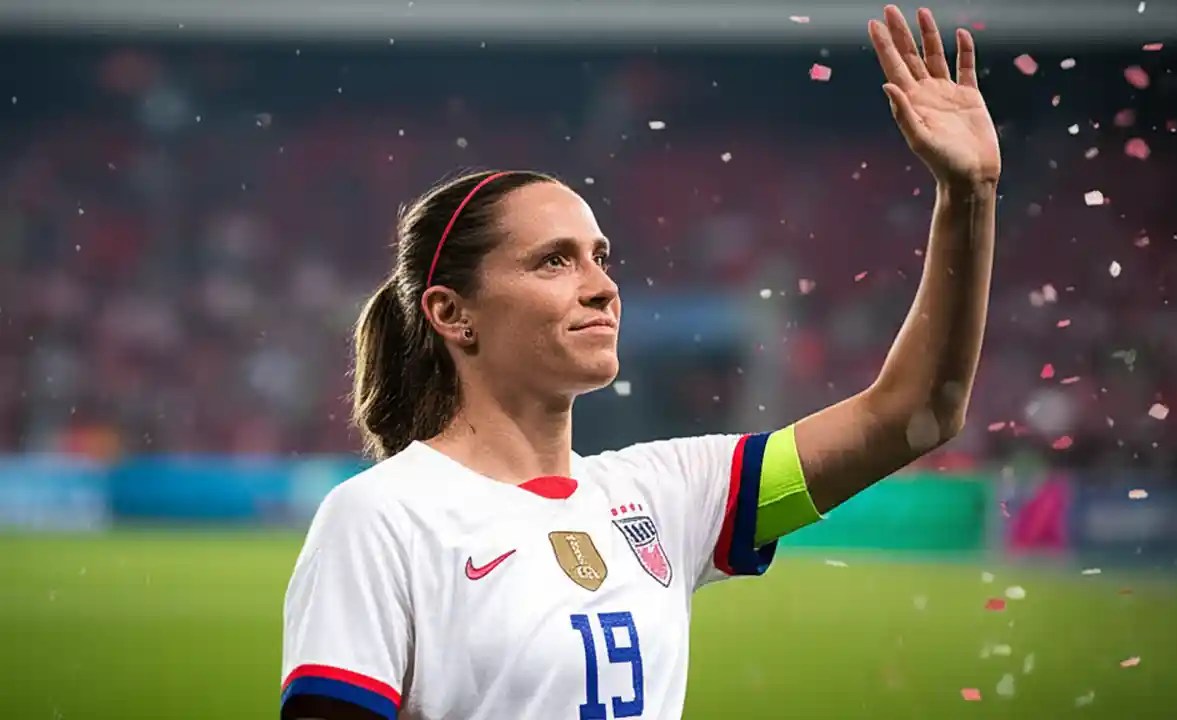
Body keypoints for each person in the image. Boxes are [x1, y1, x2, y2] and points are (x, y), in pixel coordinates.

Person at [280, 6, 1001, 719]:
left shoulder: (666, 494)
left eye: (601, 257)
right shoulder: (380, 518)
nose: (601, 285)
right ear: (450, 313)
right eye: (553, 261)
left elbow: (915, 414)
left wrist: (966, 197)